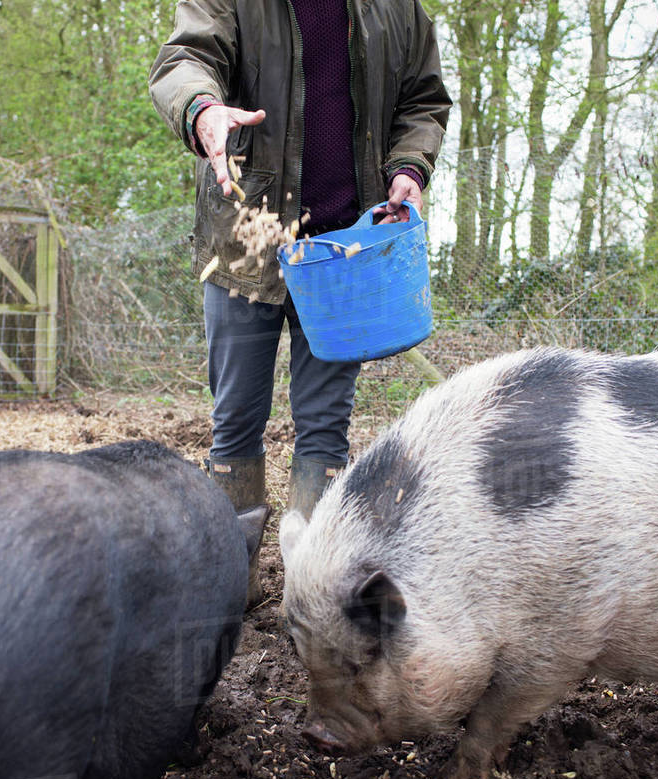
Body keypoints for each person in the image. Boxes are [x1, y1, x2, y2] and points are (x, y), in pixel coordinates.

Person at [149, 0, 450, 607]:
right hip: (245, 235)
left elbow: (424, 100)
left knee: (325, 430)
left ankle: (315, 595)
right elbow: (185, 58)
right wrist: (202, 111)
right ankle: (230, 588)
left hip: (343, 254)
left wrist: (409, 167)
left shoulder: (397, 8)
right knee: (234, 422)